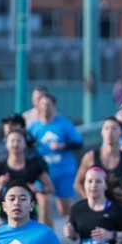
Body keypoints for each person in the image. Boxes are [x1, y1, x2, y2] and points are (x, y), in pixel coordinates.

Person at [28, 93, 83, 227]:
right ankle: (48, 236)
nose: (45, 108)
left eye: (48, 104)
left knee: (64, 208)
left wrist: (62, 146)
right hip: (43, 173)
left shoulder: (64, 123)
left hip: (63, 170)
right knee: (44, 204)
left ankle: (72, 228)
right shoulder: (33, 127)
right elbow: (26, 146)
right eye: (42, 105)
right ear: (38, 107)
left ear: (54, 106)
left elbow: (79, 143)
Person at [73, 117, 122, 210]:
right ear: (102, 133)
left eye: (114, 128)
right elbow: (77, 183)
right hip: (96, 208)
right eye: (106, 128)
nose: (110, 132)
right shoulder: (90, 157)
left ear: (121, 133)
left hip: (119, 208)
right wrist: (88, 199)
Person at [0, 128, 54, 214]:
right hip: (4, 215)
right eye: (12, 141)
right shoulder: (0, 167)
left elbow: (50, 187)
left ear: (25, 144)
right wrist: (0, 186)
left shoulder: (33, 166)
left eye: (19, 141)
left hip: (29, 214)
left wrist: (38, 189)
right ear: (6, 144)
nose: (15, 144)